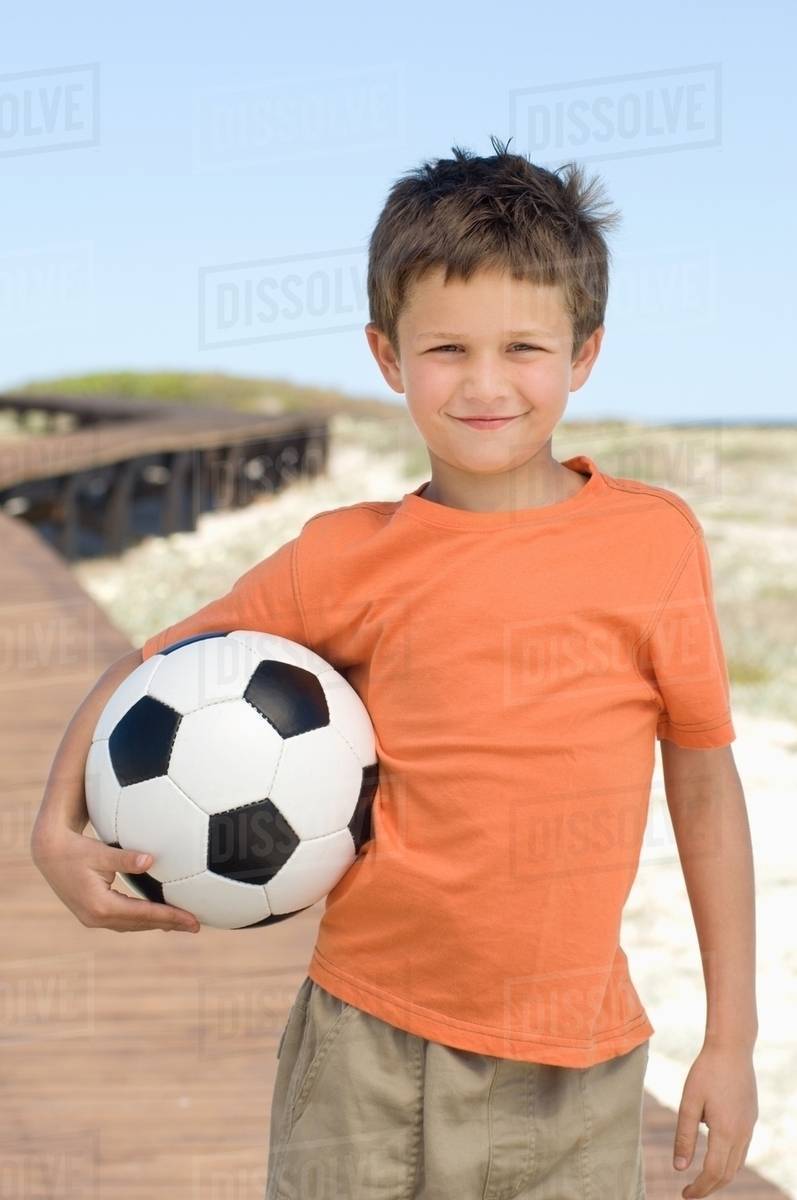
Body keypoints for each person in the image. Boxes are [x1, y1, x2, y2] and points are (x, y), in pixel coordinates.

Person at [31, 135, 758, 1199]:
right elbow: (151, 666)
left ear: (583, 353)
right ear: (386, 357)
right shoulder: (343, 558)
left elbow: (703, 781)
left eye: (522, 347)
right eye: (446, 348)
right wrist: (54, 828)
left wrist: (730, 1040)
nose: (484, 383)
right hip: (360, 1053)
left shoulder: (653, 544)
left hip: (571, 1071)